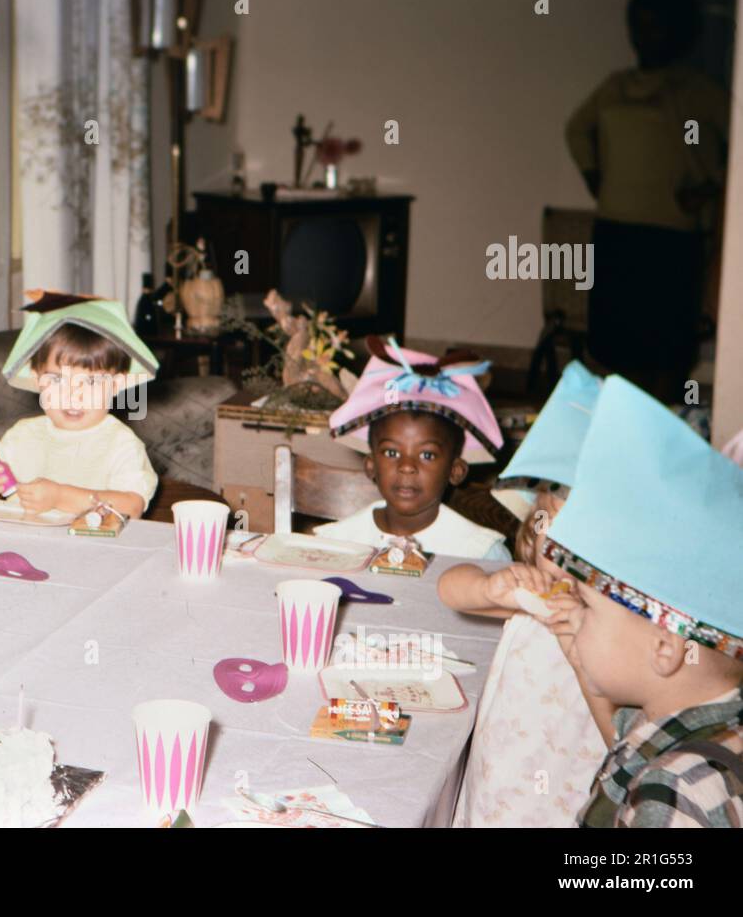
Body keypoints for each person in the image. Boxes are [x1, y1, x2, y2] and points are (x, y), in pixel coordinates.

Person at [545, 376, 743, 827]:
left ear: (665, 648)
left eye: (589, 608)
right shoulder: (683, 721)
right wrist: (582, 660)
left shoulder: (672, 792)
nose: (575, 614)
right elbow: (621, 749)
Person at [438, 361, 611, 826]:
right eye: (550, 527)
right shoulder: (532, 595)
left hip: (565, 798)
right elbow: (451, 590)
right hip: (495, 786)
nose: (563, 551)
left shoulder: (617, 629)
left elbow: (624, 740)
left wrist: (580, 650)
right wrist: (490, 584)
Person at [565, 0, 728, 403]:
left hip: (671, 236)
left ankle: (663, 427)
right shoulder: (616, 86)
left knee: (666, 347)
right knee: (616, 340)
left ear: (680, 32)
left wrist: (712, 188)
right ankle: (619, 424)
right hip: (618, 228)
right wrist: (593, 174)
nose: (645, 37)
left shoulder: (698, 90)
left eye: (657, 27)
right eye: (638, 27)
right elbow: (577, 129)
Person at [0, 292, 158, 519]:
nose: (73, 395)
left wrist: (60, 497)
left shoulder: (121, 444)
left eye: (92, 381)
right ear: (37, 379)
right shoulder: (22, 436)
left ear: (117, 384)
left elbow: (131, 506)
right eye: (57, 380)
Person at [313, 337, 509, 560]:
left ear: (456, 471)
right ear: (371, 466)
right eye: (391, 453)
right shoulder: (336, 543)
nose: (407, 466)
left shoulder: (481, 554)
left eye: (427, 455)